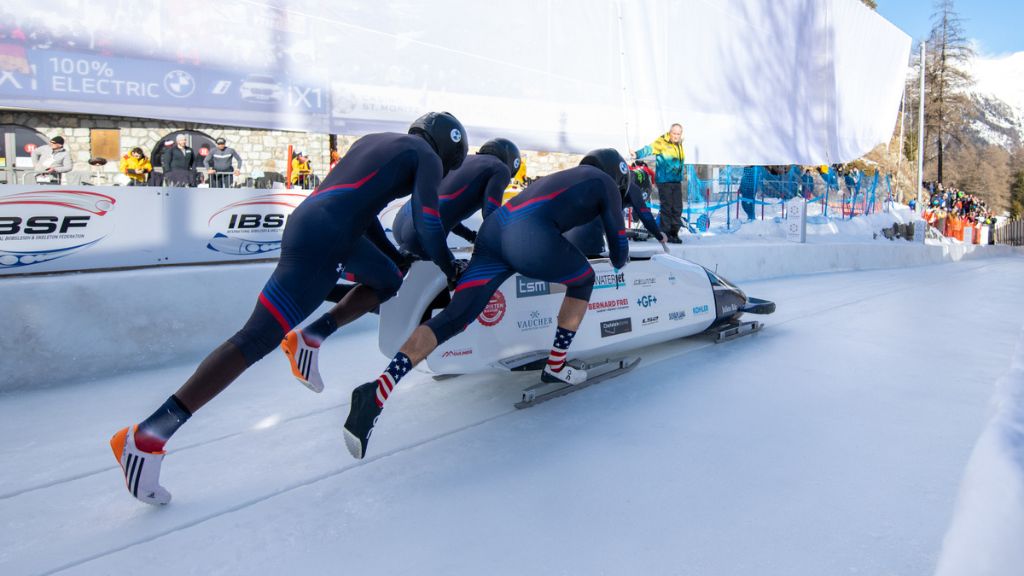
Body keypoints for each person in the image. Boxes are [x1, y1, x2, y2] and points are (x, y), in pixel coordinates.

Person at [109, 112, 468, 505]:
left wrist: (393, 256)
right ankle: (147, 436)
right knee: (256, 337)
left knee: (387, 278)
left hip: (319, 224)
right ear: (449, 150)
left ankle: (310, 337)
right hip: (327, 240)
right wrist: (451, 267)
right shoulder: (427, 156)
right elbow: (428, 220)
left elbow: (361, 213)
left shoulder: (377, 140)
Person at [342, 148, 631, 460]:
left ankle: (378, 389)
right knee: (584, 278)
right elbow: (619, 251)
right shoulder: (605, 183)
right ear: (619, 177)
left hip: (494, 233)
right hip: (529, 237)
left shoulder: (557, 178)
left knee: (455, 317)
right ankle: (556, 364)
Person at [392, 137, 519, 254]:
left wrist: (470, 236)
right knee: (455, 273)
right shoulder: (501, 169)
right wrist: (507, 245)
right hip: (424, 235)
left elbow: (446, 210)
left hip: (401, 224)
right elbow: (491, 214)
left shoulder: (462, 161)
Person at [564, 163, 668, 256]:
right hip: (588, 236)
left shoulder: (614, 179)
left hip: (565, 232)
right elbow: (645, 215)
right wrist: (659, 235)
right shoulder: (633, 189)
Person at [634, 123, 685, 243]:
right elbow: (649, 148)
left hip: (676, 181)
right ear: (670, 132)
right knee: (667, 207)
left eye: (678, 134)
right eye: (674, 133)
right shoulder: (662, 141)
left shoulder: (679, 144)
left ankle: (674, 233)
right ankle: (665, 234)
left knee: (677, 208)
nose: (676, 136)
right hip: (664, 181)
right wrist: (637, 154)